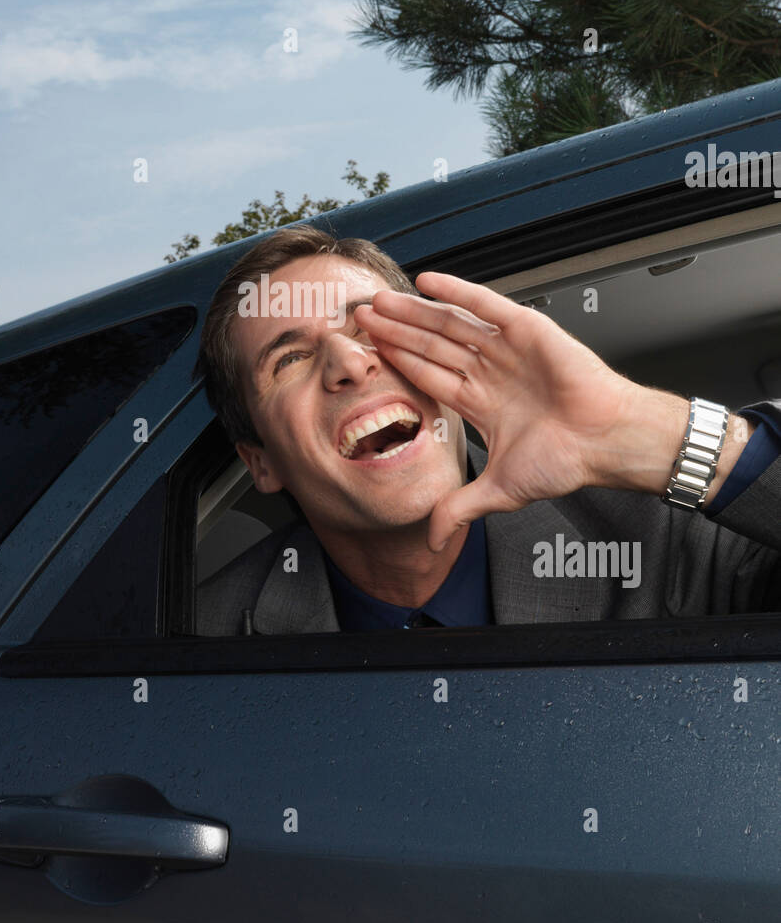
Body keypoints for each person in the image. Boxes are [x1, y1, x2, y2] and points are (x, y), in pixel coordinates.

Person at [194, 225, 781, 635]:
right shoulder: (208, 636)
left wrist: (647, 431)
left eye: (373, 325)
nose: (349, 361)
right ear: (259, 462)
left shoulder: (659, 545)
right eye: (288, 360)